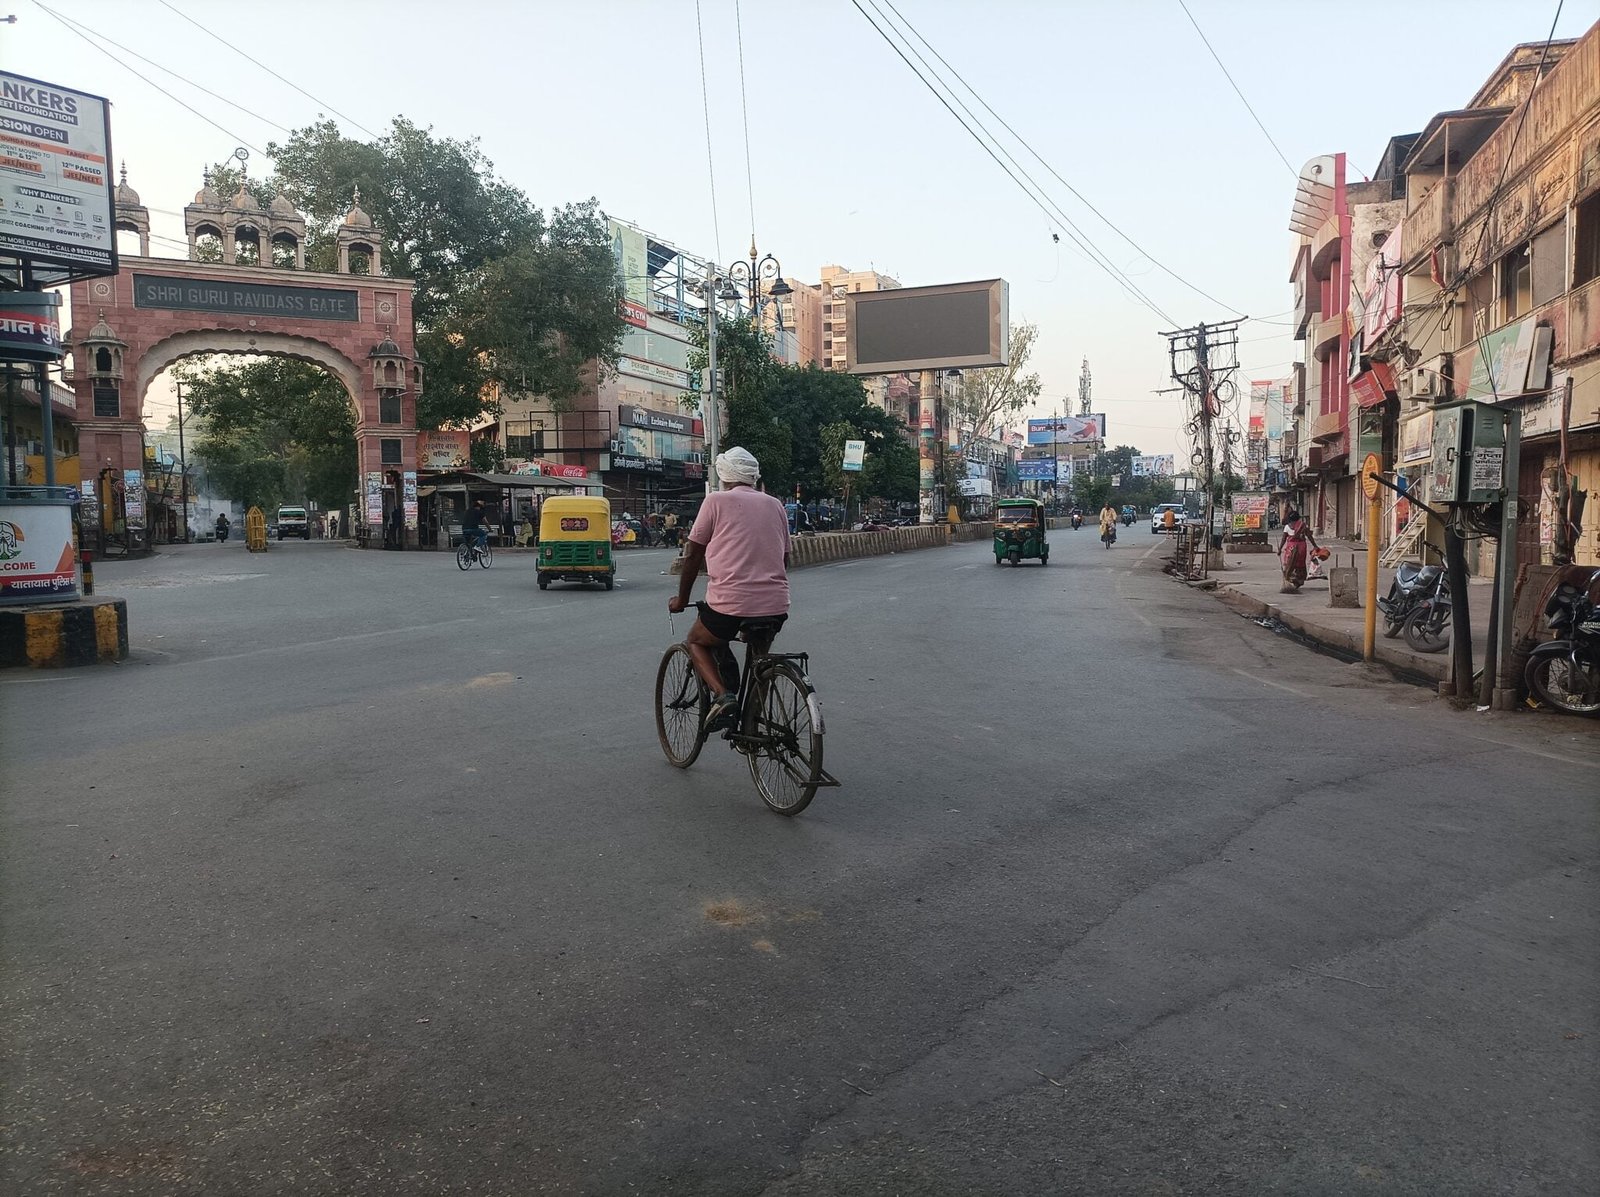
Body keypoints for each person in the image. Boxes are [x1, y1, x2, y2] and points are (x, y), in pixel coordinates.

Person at [667, 447, 790, 730]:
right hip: (776, 604)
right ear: (752, 477)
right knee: (761, 663)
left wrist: (681, 598)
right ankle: (751, 725)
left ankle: (724, 696)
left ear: (724, 476)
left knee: (697, 640)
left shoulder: (715, 501)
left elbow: (694, 555)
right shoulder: (775, 505)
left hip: (729, 605)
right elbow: (783, 558)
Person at [1279, 507, 1320, 592]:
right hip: (1301, 547)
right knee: (1300, 563)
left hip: (1291, 547)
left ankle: (1291, 578)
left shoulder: (1287, 527)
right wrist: (1315, 546)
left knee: (1289, 563)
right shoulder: (1303, 526)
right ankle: (1299, 580)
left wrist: (1280, 549)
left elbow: (1283, 539)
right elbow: (1309, 536)